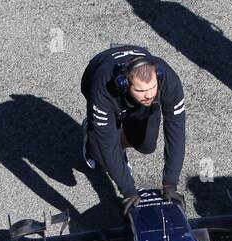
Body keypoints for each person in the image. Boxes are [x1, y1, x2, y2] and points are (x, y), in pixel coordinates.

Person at [80, 45, 187, 214]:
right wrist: (128, 190)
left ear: (157, 77)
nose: (148, 95)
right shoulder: (102, 89)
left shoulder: (168, 80)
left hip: (136, 93)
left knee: (147, 145)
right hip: (96, 72)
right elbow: (108, 145)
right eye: (140, 90)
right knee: (102, 155)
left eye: (152, 87)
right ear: (124, 84)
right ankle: (91, 132)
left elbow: (176, 131)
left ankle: (122, 139)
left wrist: (170, 184)